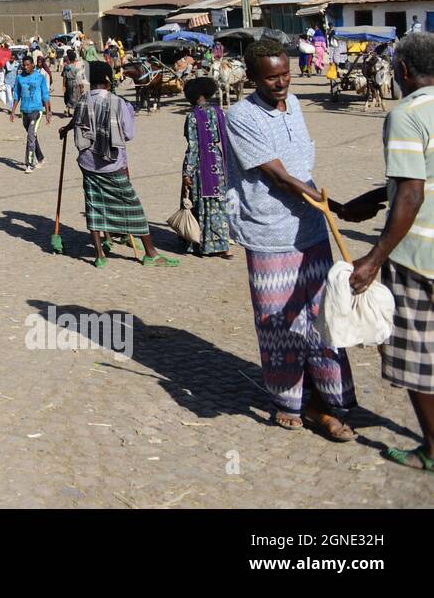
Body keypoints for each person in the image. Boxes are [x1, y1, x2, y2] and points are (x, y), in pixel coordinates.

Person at [225, 39, 357, 439]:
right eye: (271, 78)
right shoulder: (240, 115)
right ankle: (289, 401)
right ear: (253, 78)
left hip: (312, 229)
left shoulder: (295, 105)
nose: (281, 83)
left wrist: (326, 208)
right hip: (269, 232)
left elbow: (301, 164)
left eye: (285, 74)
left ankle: (331, 400)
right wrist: (335, 205)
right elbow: (278, 175)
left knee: (322, 318)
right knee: (279, 323)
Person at [339, 31, 434, 472]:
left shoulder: (407, 115)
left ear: (404, 72)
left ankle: (432, 450)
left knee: (417, 355)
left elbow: (413, 195)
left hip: (420, 258)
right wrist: (379, 194)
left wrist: (374, 258)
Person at [58, 61, 179, 268]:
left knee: (94, 205)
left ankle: (99, 256)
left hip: (87, 163)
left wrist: (66, 129)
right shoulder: (117, 102)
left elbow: (77, 123)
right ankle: (150, 253)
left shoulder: (82, 101)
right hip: (111, 164)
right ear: (107, 80)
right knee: (133, 206)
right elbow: (129, 134)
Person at [181, 77, 233, 258]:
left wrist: (187, 172)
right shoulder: (219, 112)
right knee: (219, 203)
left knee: (203, 203)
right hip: (217, 161)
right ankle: (223, 244)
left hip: (202, 164)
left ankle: (204, 244)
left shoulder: (193, 117)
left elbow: (193, 146)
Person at [9, 54, 51, 173]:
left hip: (36, 110)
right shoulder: (19, 78)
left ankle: (30, 163)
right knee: (32, 136)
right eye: (24, 65)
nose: (25, 67)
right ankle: (41, 158)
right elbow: (16, 95)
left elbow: (45, 95)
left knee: (30, 136)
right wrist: (13, 112)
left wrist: (48, 112)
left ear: (33, 65)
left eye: (28, 65)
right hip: (24, 111)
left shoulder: (40, 77)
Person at [61, 49, 89, 118]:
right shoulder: (77, 67)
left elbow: (64, 76)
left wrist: (64, 85)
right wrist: (82, 87)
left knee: (68, 95)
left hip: (68, 82)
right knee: (76, 97)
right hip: (75, 83)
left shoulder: (66, 66)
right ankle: (75, 112)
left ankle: (67, 111)